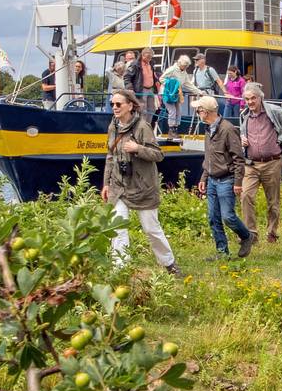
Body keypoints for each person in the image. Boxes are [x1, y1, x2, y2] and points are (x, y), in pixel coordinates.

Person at [102, 89, 182, 277]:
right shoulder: (113, 126)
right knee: (117, 227)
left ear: (130, 105)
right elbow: (110, 156)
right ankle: (120, 269)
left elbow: (158, 155)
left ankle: (169, 264)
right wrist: (106, 183)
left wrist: (137, 148)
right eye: (112, 104)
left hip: (142, 187)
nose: (114, 107)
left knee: (151, 229)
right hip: (119, 186)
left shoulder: (142, 127)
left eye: (118, 104)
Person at [239, 82, 282, 244]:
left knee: (273, 201)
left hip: (272, 163)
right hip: (251, 164)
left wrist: (281, 139)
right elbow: (242, 133)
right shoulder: (244, 116)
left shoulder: (272, 111)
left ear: (260, 97)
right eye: (247, 99)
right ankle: (251, 234)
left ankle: (272, 233)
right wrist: (242, 139)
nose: (250, 102)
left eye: (253, 98)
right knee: (246, 196)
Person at [193, 96, 254, 259]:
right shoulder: (208, 129)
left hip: (227, 179)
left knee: (228, 216)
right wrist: (204, 177)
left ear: (206, 112)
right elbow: (209, 157)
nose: (197, 113)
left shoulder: (228, 129)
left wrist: (238, 182)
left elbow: (238, 158)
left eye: (198, 110)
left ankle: (247, 236)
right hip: (212, 179)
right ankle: (222, 252)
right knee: (213, 218)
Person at [159, 55, 204, 138]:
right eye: (185, 65)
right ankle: (171, 130)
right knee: (172, 111)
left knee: (179, 111)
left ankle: (175, 129)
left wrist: (199, 92)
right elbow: (161, 79)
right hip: (168, 94)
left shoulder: (184, 73)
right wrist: (171, 84)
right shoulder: (172, 69)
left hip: (177, 94)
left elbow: (188, 84)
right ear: (180, 64)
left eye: (187, 66)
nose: (186, 67)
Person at [124, 48, 160, 122]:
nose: (149, 59)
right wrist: (129, 88)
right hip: (141, 89)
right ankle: (141, 126)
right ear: (142, 55)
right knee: (142, 110)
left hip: (151, 89)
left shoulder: (151, 63)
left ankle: (147, 125)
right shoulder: (135, 64)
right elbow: (127, 77)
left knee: (152, 109)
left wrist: (156, 82)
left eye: (150, 57)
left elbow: (152, 75)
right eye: (148, 57)